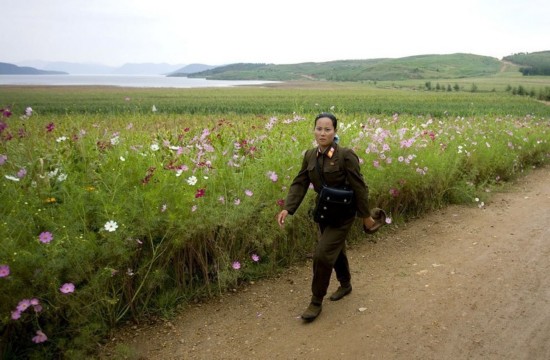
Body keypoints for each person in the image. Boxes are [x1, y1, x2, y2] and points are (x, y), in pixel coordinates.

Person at [277, 112, 378, 322]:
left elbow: (360, 188)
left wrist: (366, 216)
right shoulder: (310, 155)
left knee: (323, 254)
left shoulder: (345, 155)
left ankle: (316, 301)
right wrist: (288, 208)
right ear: (314, 130)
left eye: (327, 129)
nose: (322, 133)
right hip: (324, 212)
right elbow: (301, 182)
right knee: (336, 250)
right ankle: (346, 283)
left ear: (335, 132)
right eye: (319, 129)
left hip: (344, 214)